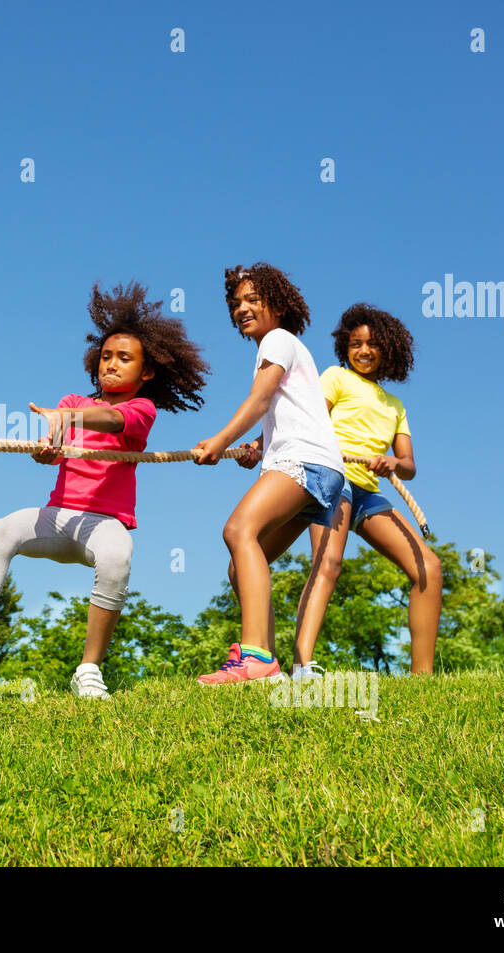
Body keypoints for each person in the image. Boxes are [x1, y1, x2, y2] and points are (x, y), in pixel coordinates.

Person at [0, 282, 207, 699]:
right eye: (105, 357)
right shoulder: (72, 401)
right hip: (60, 519)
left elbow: (112, 421)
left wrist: (69, 417)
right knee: (1, 529)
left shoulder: (140, 409)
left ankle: (88, 670)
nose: (111, 364)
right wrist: (49, 448)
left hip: (104, 525)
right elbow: (58, 445)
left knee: (118, 556)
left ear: (146, 371)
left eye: (124, 358)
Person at [193, 263, 345, 685]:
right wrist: (257, 449)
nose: (241, 308)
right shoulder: (289, 348)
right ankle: (268, 666)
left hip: (305, 463)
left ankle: (256, 656)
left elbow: (260, 400)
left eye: (252, 300)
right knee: (241, 563)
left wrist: (221, 440)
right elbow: (290, 413)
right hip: (318, 470)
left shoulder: (277, 340)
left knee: (238, 530)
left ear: (277, 304)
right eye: (235, 303)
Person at [276, 303, 439, 676]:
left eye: (371, 344)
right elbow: (304, 420)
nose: (363, 351)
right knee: (328, 563)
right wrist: (258, 444)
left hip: (368, 490)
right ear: (344, 348)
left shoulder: (395, 405)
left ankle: (424, 678)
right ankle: (301, 666)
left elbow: (409, 466)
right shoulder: (336, 377)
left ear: (389, 350)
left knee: (428, 567)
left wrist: (394, 464)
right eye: (355, 344)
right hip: (333, 476)